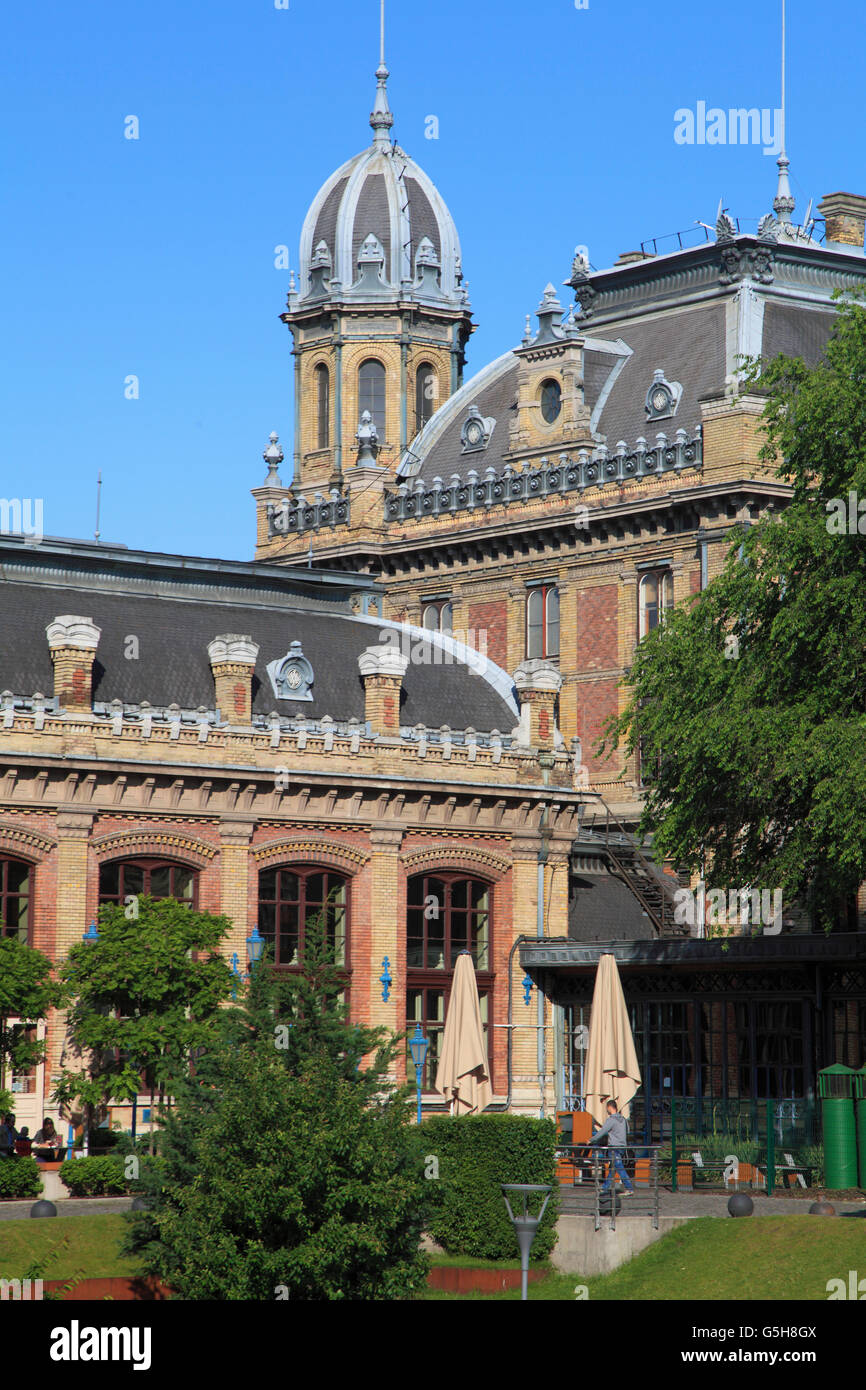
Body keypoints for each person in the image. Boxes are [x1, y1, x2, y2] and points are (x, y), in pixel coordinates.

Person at [591, 1099, 634, 1194]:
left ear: (610, 1107)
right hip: (622, 1147)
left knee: (619, 1167)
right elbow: (627, 1131)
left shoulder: (611, 1120)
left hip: (614, 1148)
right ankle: (605, 1187)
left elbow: (602, 1132)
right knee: (613, 1168)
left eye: (607, 1108)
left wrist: (591, 1140)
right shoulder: (623, 1119)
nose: (606, 1110)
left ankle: (629, 1188)